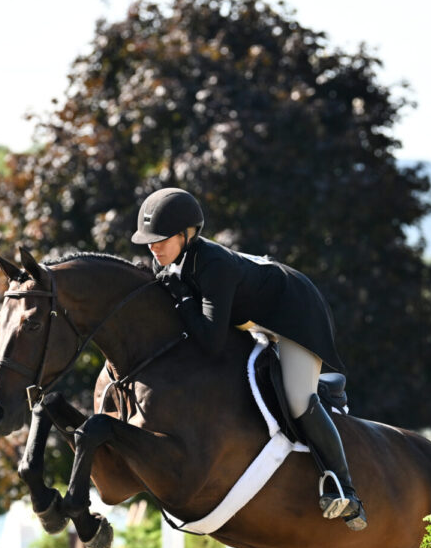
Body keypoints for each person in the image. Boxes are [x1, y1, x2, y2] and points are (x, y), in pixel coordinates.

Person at [131, 187, 366, 530]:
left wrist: (181, 299)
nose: (153, 246)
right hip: (252, 317)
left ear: (187, 234)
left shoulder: (212, 264)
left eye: (161, 238)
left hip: (295, 314)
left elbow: (210, 341)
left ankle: (344, 489)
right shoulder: (168, 259)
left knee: (298, 399)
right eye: (149, 241)